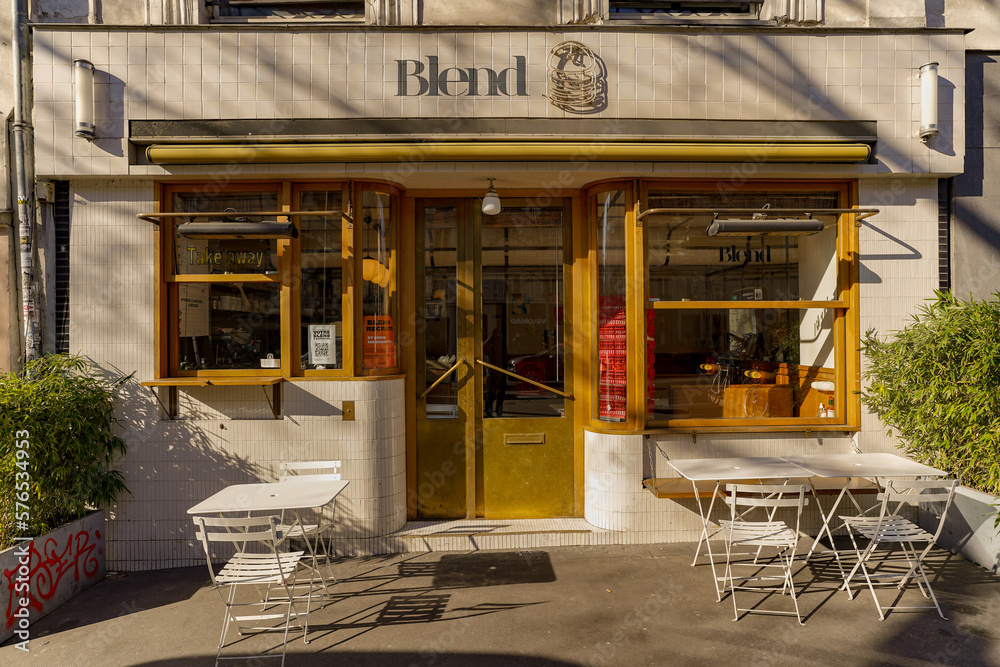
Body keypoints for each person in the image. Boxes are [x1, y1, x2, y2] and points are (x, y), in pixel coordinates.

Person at [483, 326, 507, 418]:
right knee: (491, 395)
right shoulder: (490, 343)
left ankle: (498, 413)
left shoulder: (501, 342)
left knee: (499, 396)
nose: (499, 337)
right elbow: (483, 348)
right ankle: (490, 414)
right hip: (492, 373)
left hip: (500, 372)